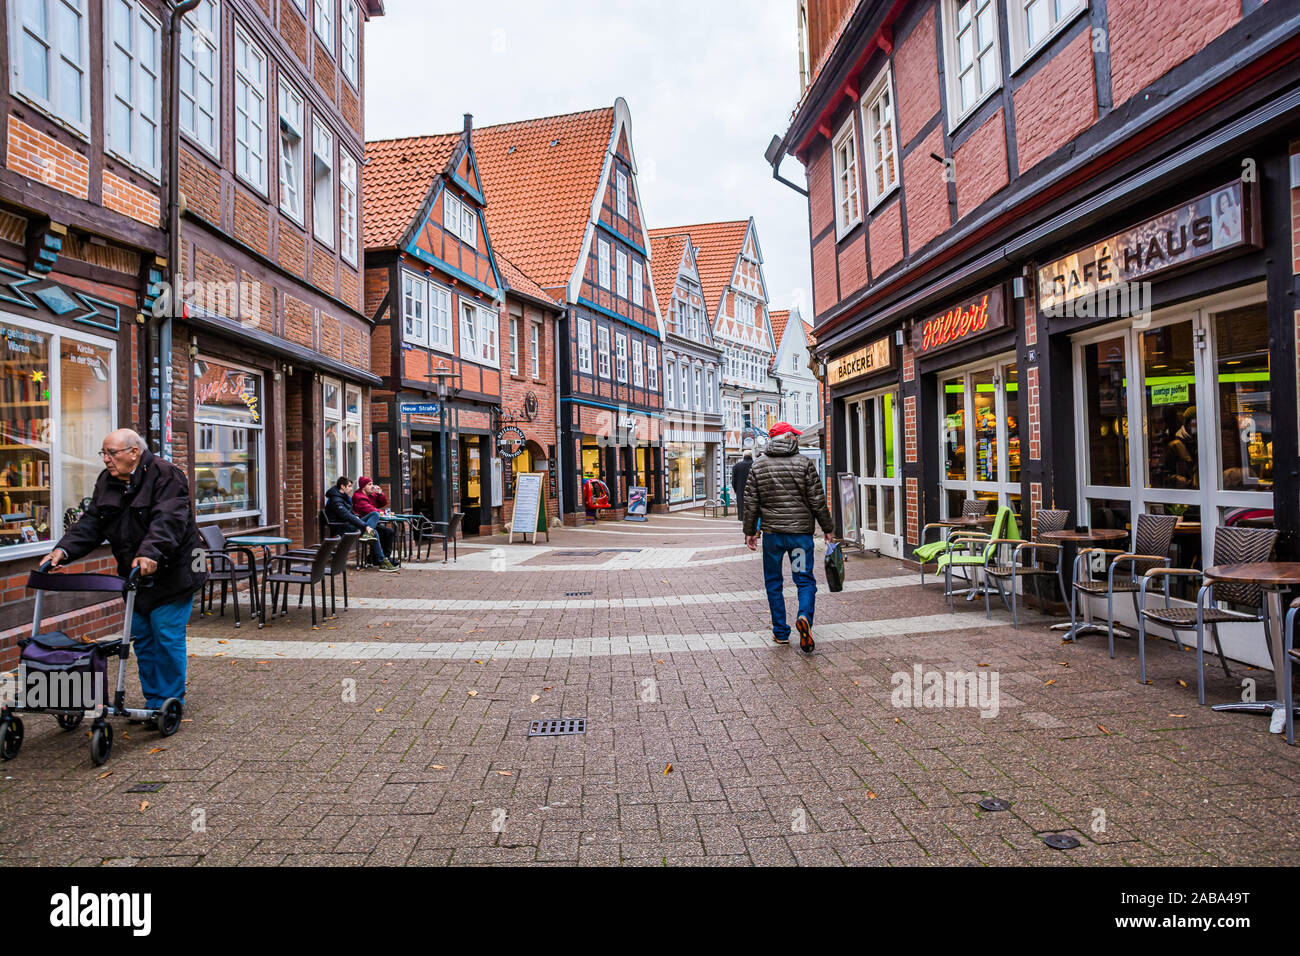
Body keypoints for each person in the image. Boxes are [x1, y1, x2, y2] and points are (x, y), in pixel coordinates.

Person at [40, 428, 206, 722]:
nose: (106, 459)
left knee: (166, 636)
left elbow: (168, 520)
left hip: (174, 573)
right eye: (103, 453)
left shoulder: (166, 475)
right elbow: (92, 522)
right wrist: (62, 551)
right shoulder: (108, 481)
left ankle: (169, 703)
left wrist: (151, 554)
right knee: (142, 639)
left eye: (111, 453)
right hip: (134, 576)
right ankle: (153, 701)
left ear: (134, 452)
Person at [743, 421, 834, 654]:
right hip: (799, 538)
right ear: (788, 438)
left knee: (774, 583)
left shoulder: (759, 465)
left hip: (773, 537)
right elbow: (817, 499)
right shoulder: (804, 463)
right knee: (803, 579)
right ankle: (804, 616)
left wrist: (750, 532)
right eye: (794, 435)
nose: (796, 438)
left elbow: (751, 502)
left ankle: (781, 632)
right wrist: (827, 527)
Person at [325, 477, 396, 572]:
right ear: (342, 486)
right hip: (342, 527)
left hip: (350, 523)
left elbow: (351, 513)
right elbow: (346, 516)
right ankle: (381, 560)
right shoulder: (336, 500)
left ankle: (378, 554)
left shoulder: (344, 497)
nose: (351, 489)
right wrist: (365, 526)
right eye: (349, 486)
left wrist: (356, 517)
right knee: (373, 531)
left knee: (375, 515)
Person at [352, 477, 399, 568]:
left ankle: (385, 558)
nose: (372, 486)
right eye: (369, 484)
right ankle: (378, 559)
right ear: (363, 487)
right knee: (376, 533)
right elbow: (370, 510)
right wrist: (383, 513)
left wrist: (380, 493)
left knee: (389, 532)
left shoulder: (371, 495)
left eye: (372, 483)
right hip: (363, 524)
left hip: (371, 524)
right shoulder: (359, 497)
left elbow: (382, 503)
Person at [730, 450, 753, 522]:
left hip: (741, 491)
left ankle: (744, 524)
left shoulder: (736, 466)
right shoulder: (756, 465)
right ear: (751, 456)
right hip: (753, 491)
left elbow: (733, 481)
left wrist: (736, 490)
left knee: (742, 510)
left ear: (743, 456)